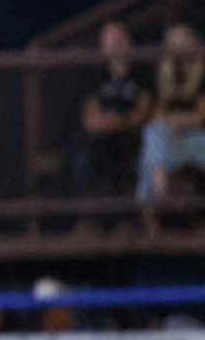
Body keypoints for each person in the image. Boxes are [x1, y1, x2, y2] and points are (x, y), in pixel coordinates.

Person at [77, 20, 151, 198]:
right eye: (110, 41)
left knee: (133, 155)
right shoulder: (95, 75)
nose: (115, 45)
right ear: (102, 46)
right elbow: (90, 120)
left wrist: (118, 121)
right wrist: (117, 121)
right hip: (102, 138)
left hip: (132, 136)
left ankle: (127, 220)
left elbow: (141, 114)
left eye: (119, 39)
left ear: (129, 41)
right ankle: (91, 219)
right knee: (84, 157)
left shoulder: (142, 72)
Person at [140, 24, 205, 209]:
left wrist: (177, 123)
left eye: (184, 42)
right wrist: (172, 125)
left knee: (151, 152)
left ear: (194, 43)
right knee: (152, 137)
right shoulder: (164, 73)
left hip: (199, 137)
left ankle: (157, 209)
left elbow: (201, 116)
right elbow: (157, 112)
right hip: (171, 137)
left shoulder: (202, 72)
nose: (180, 48)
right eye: (175, 43)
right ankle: (159, 201)